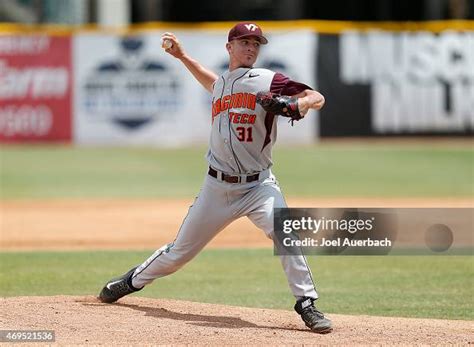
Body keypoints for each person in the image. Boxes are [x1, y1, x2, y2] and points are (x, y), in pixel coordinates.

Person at [99, 22, 332, 334]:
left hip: (258, 186)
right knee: (178, 253)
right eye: (244, 42)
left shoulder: (268, 79)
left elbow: (316, 96)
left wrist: (297, 104)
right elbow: (213, 83)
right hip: (216, 186)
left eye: (256, 43)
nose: (251, 47)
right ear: (229, 48)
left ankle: (306, 304)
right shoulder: (222, 82)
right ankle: (131, 281)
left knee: (284, 233)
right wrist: (183, 57)